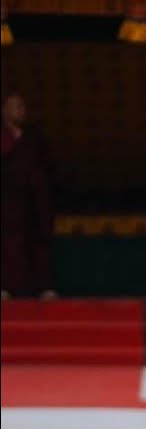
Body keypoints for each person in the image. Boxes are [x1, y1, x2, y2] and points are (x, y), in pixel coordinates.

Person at [1, 93, 55, 300]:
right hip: (7, 201)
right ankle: (6, 286)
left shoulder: (33, 137)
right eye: (15, 106)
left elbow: (45, 166)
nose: (20, 110)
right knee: (8, 246)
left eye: (22, 106)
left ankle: (42, 286)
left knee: (38, 243)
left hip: (32, 201)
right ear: (4, 111)